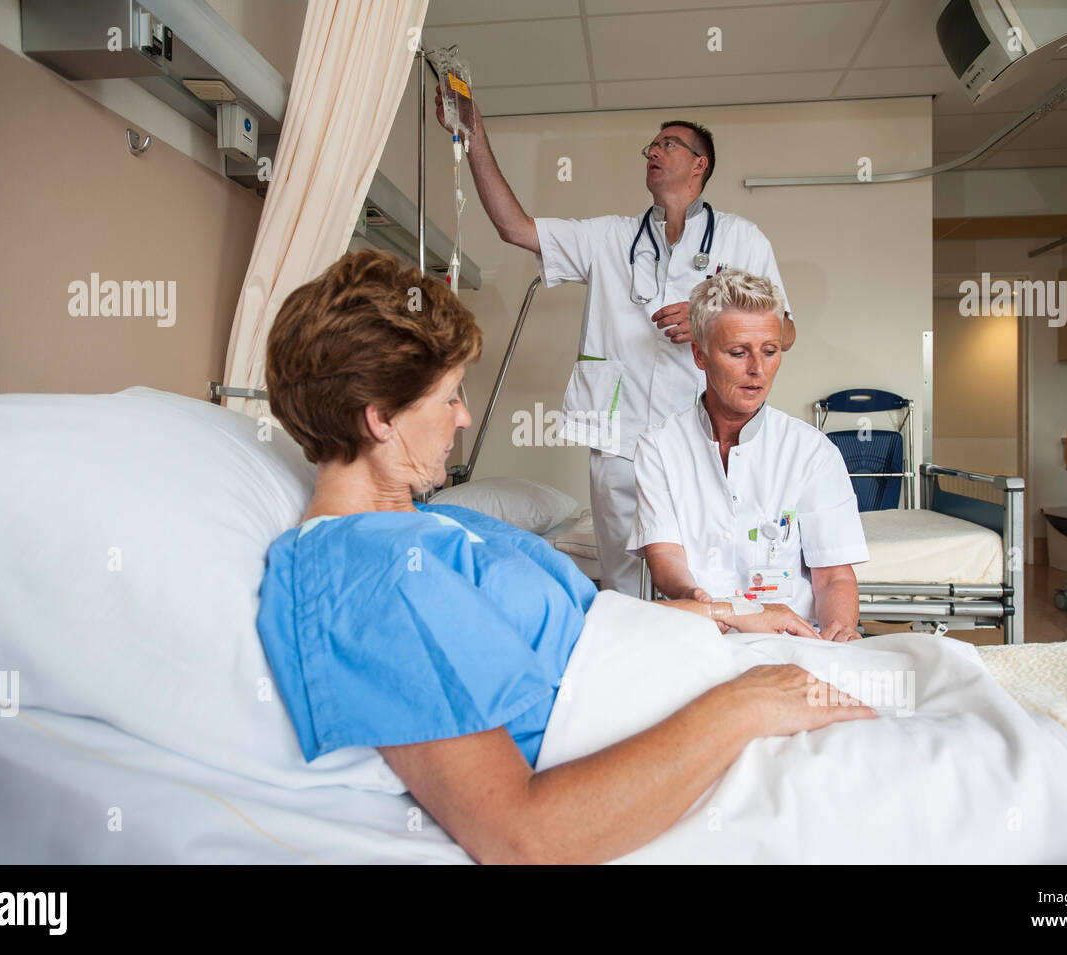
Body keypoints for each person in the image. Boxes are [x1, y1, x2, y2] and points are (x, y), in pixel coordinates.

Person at [255, 249, 873, 865]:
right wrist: (745, 705)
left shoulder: (437, 522)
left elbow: (591, 624)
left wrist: (731, 618)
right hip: (690, 728)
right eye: (448, 399)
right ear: (380, 419)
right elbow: (525, 837)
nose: (464, 416)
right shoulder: (369, 578)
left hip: (708, 673)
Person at [436, 91, 795, 597]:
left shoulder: (741, 238)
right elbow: (513, 227)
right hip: (618, 437)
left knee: (701, 580)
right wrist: (471, 133)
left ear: (700, 164)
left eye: (667, 144)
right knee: (624, 583)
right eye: (649, 145)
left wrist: (711, 323)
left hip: (702, 435)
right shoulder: (609, 238)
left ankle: (705, 667)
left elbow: (785, 330)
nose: (653, 151)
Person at [627, 269, 868, 643]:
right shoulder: (659, 446)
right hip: (700, 636)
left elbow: (833, 575)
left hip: (793, 645)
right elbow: (665, 558)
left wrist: (840, 631)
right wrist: (701, 604)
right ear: (700, 355)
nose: (757, 369)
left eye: (769, 351)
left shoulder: (811, 452)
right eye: (738, 353)